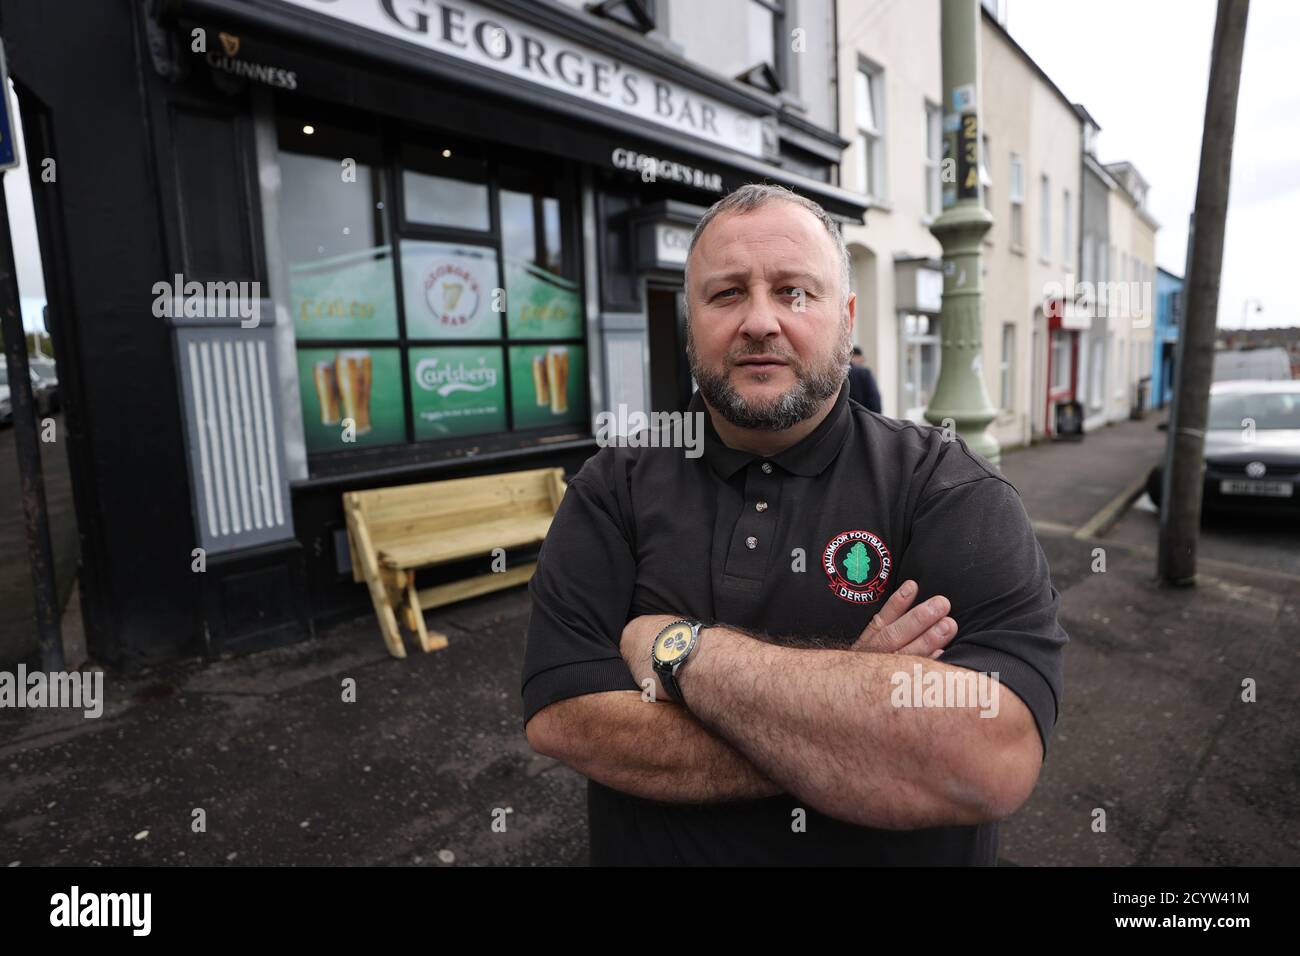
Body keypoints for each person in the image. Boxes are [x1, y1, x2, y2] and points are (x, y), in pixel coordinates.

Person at [521, 183, 1067, 865]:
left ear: (847, 316)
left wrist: (678, 649)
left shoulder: (947, 488)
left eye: (794, 292)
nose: (759, 321)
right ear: (688, 320)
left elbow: (990, 755)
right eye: (726, 294)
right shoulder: (612, 487)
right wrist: (853, 713)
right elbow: (566, 719)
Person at [847, 345, 882, 412]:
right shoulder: (864, 373)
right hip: (862, 417)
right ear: (853, 357)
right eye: (861, 358)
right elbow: (874, 400)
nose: (862, 361)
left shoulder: (839, 374)